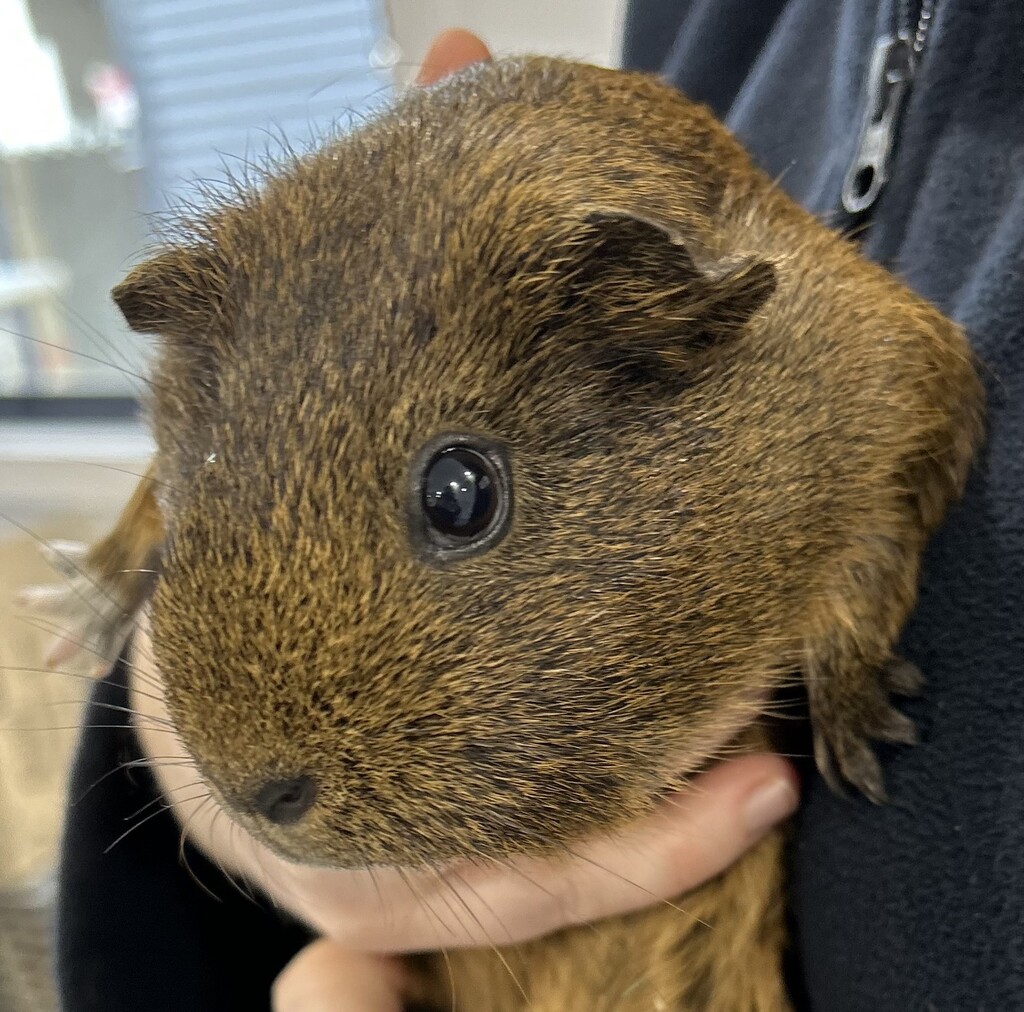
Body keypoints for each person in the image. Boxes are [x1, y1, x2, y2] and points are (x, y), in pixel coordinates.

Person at [57, 4, 1024, 1010]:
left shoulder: (806, 359)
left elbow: (891, 374)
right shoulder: (719, 20)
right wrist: (173, 735)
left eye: (459, 499)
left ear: (654, 314)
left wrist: (851, 634)